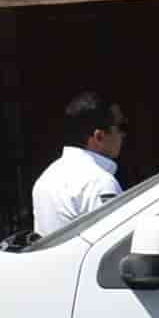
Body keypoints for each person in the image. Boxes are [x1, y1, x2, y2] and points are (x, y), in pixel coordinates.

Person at [31, 93, 125, 235]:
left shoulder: (45, 178)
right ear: (99, 137)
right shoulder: (100, 182)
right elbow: (116, 241)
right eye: (121, 127)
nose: (123, 135)